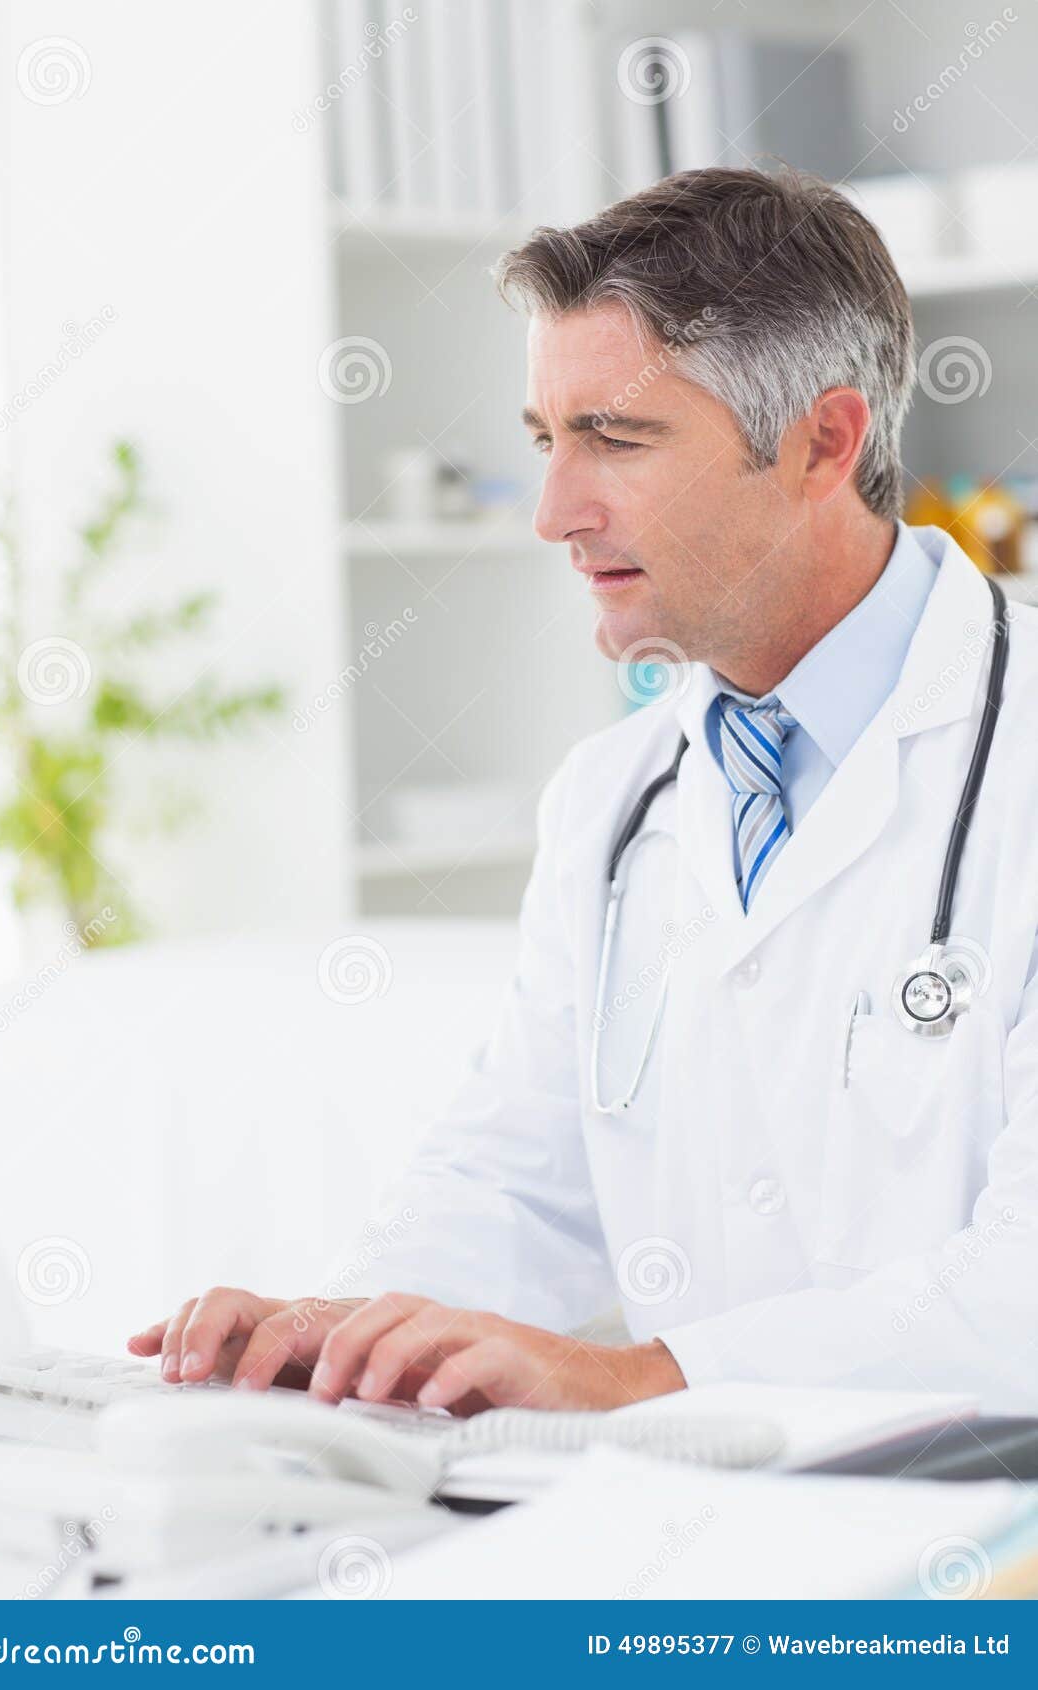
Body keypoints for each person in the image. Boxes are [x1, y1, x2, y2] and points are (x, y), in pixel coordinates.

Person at [131, 167, 1038, 1416]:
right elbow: (520, 1178)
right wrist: (338, 1336)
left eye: (614, 437)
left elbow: (1018, 1297)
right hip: (692, 1529)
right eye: (544, 441)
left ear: (822, 443)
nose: (556, 510)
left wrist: (631, 1380)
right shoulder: (613, 801)